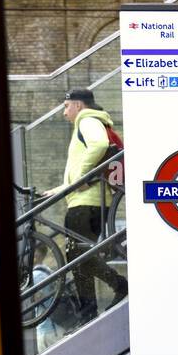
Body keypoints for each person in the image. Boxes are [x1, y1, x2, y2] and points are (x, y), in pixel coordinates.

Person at [59, 87, 127, 320]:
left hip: (86, 204)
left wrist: (79, 178)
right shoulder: (91, 122)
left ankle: (94, 306)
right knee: (79, 256)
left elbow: (98, 145)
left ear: (78, 105)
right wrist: (60, 189)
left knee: (77, 257)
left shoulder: (87, 121)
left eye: (66, 106)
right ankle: (92, 307)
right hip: (88, 201)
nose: (64, 112)